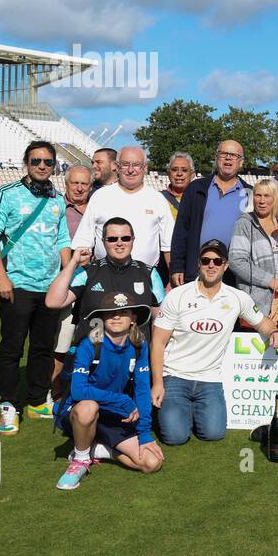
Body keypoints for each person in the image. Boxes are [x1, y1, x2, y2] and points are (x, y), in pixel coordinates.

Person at [151, 240, 278, 445]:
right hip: (175, 376)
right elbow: (158, 343)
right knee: (175, 437)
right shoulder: (177, 296)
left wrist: (274, 332)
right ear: (198, 264)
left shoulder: (237, 297)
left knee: (214, 433)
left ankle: (185, 411)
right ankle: (177, 409)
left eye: (217, 261)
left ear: (226, 265)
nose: (211, 265)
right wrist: (158, 383)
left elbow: (262, 322)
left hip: (210, 380)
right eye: (206, 260)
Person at [0, 141, 71, 434]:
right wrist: (1, 276)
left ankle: (35, 401)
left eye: (48, 162)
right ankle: (9, 405)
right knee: (12, 348)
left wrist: (65, 276)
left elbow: (61, 241)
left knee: (42, 348)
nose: (42, 166)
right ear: (27, 162)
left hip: (49, 288)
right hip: (16, 283)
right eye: (36, 161)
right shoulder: (6, 194)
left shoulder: (58, 200)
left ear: (55, 165)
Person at [54, 292, 164, 490]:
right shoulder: (90, 344)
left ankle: (97, 449)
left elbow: (142, 389)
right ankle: (80, 460)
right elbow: (78, 391)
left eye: (123, 312)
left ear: (133, 318)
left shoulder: (139, 347)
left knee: (151, 463)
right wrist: (122, 401)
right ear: (103, 318)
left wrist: (145, 433)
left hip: (113, 416)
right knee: (88, 407)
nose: (116, 317)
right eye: (111, 313)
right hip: (79, 413)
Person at [45, 218, 165, 395]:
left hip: (135, 364)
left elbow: (160, 323)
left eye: (125, 238)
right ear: (103, 242)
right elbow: (53, 302)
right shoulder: (88, 271)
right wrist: (73, 263)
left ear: (133, 240)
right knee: (88, 416)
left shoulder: (149, 273)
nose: (119, 243)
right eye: (112, 239)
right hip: (93, 363)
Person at [72, 145, 175, 271]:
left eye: (137, 165)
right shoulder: (100, 197)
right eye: (125, 164)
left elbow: (169, 244)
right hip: (104, 275)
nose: (131, 170)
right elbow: (83, 240)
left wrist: (172, 277)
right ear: (117, 166)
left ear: (146, 167)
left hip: (146, 276)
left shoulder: (157, 199)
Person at [169, 140, 251, 286]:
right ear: (216, 157)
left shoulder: (249, 194)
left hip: (234, 275)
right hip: (198, 270)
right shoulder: (196, 189)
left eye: (233, 155)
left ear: (241, 162)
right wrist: (177, 266)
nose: (228, 158)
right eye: (224, 154)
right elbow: (181, 230)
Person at [51, 164, 94, 399]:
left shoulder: (97, 207)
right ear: (65, 185)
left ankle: (85, 390)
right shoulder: (56, 207)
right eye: (74, 183)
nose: (79, 188)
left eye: (84, 183)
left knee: (92, 341)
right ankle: (56, 392)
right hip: (64, 284)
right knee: (61, 342)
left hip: (93, 284)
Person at [229, 178, 278, 331]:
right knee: (253, 351)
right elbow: (236, 261)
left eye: (267, 196)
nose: (262, 201)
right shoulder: (245, 223)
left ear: (275, 198)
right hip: (256, 299)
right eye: (258, 195)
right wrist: (269, 281)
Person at [162, 152, 194, 218]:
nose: (179, 173)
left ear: (192, 174)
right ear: (168, 173)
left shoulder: (200, 199)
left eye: (184, 170)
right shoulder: (158, 198)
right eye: (174, 170)